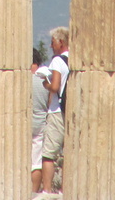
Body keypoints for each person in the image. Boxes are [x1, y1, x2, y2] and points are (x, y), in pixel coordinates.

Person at [41, 26, 70, 193]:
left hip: (57, 110)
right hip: (69, 110)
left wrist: (45, 82)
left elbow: (55, 86)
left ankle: (47, 190)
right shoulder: (73, 60)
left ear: (60, 42)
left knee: (48, 154)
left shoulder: (57, 61)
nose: (51, 46)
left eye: (53, 42)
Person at [31, 47, 52, 193]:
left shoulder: (25, 79)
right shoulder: (46, 80)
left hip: (25, 121)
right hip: (40, 122)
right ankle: (33, 191)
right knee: (36, 161)